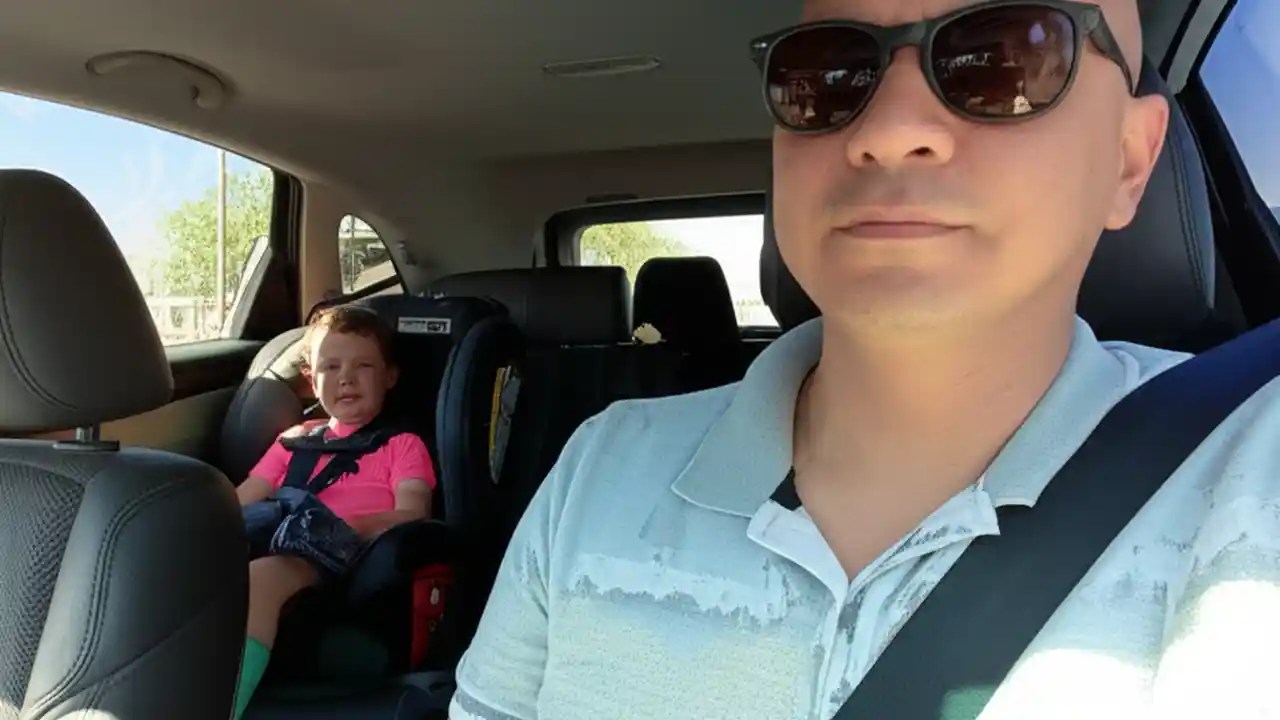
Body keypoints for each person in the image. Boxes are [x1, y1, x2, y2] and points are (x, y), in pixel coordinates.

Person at [452, 0, 1280, 718]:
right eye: (828, 74)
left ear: (1131, 159)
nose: (887, 131)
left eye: (1000, 60)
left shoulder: (1252, 468)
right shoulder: (600, 470)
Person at [233, 306, 436, 719]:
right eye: (331, 366)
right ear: (311, 381)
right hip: (274, 538)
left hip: (341, 561)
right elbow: (240, 502)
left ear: (390, 376)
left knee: (261, 578)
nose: (346, 378)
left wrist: (342, 528)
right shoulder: (293, 441)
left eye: (364, 366)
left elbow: (413, 511)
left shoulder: (402, 445)